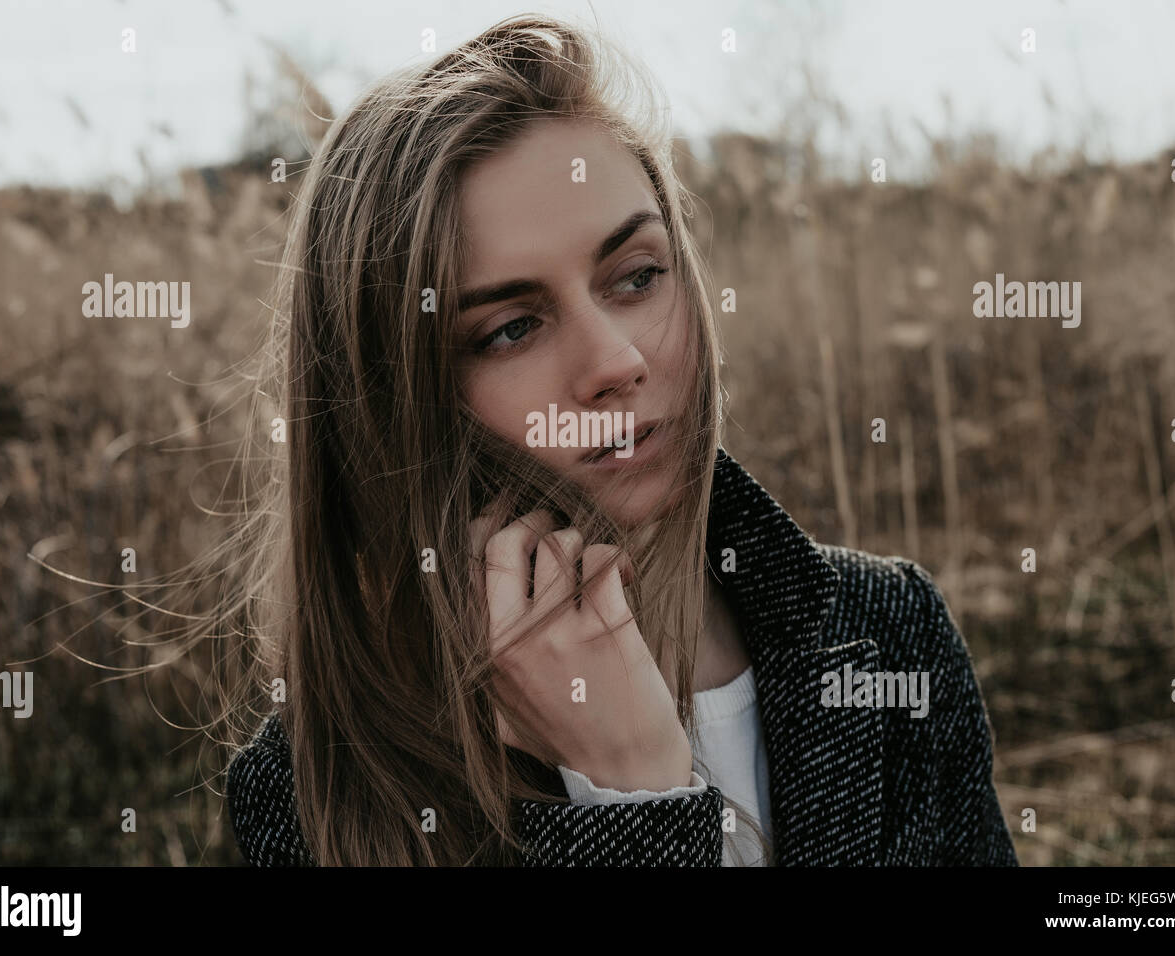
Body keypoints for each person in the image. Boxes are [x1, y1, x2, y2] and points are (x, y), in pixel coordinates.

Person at [223, 13, 1018, 867]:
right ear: (393, 402)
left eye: (637, 277)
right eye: (511, 329)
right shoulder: (314, 788)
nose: (617, 358)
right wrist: (631, 789)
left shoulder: (890, 632)